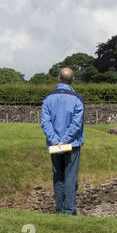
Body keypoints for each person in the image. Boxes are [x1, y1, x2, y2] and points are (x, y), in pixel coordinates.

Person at [40, 67, 84, 215]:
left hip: (55, 144)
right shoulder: (77, 99)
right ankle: (69, 211)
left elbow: (45, 123)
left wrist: (55, 140)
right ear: (73, 80)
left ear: (58, 78)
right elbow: (76, 124)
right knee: (70, 177)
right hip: (72, 144)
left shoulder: (47, 99)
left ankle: (60, 209)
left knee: (58, 176)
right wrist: (64, 141)